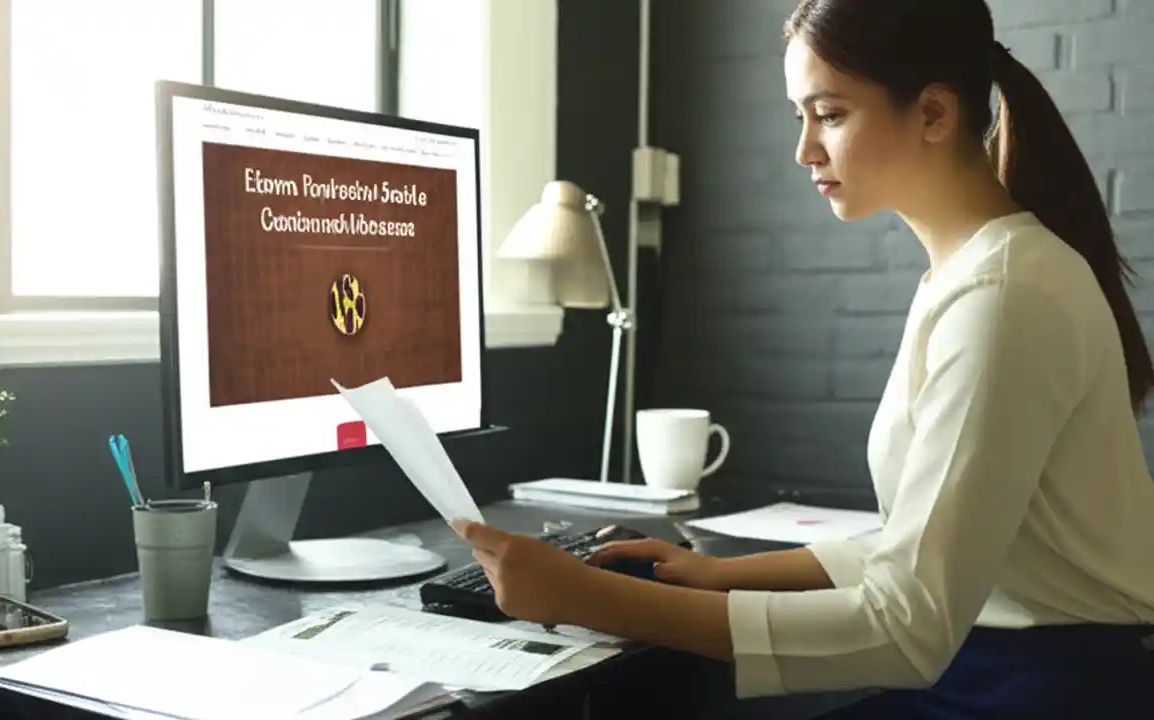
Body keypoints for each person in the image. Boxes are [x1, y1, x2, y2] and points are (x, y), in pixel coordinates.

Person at [450, 0, 1154, 716]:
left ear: (934, 115)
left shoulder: (1003, 294)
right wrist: (720, 574)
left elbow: (909, 625)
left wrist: (591, 597)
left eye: (831, 115)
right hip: (992, 663)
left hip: (1042, 690)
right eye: (801, 118)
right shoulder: (975, 273)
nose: (805, 150)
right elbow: (924, 543)